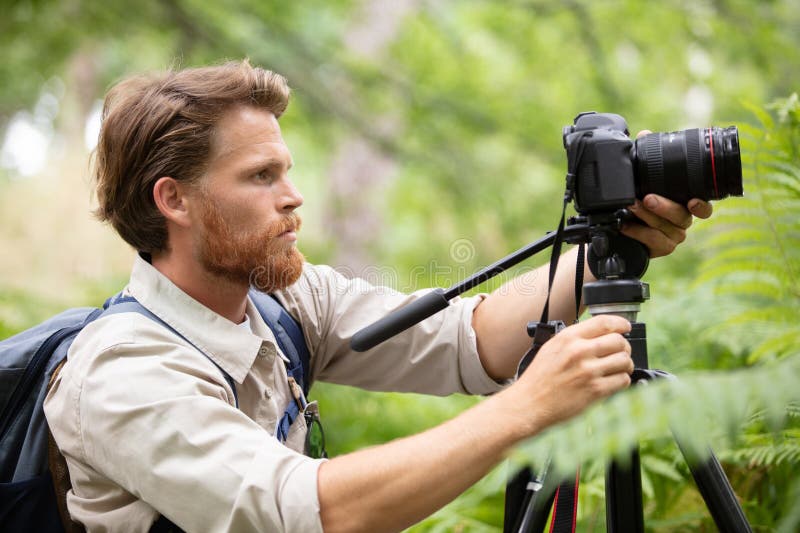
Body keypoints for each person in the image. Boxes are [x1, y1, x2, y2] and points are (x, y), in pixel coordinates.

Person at [44, 60, 712, 533]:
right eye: (261, 175)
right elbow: (306, 513)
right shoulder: (121, 373)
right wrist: (526, 408)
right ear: (174, 200)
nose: (293, 196)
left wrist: (605, 252)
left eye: (287, 170)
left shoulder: (283, 301)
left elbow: (468, 340)